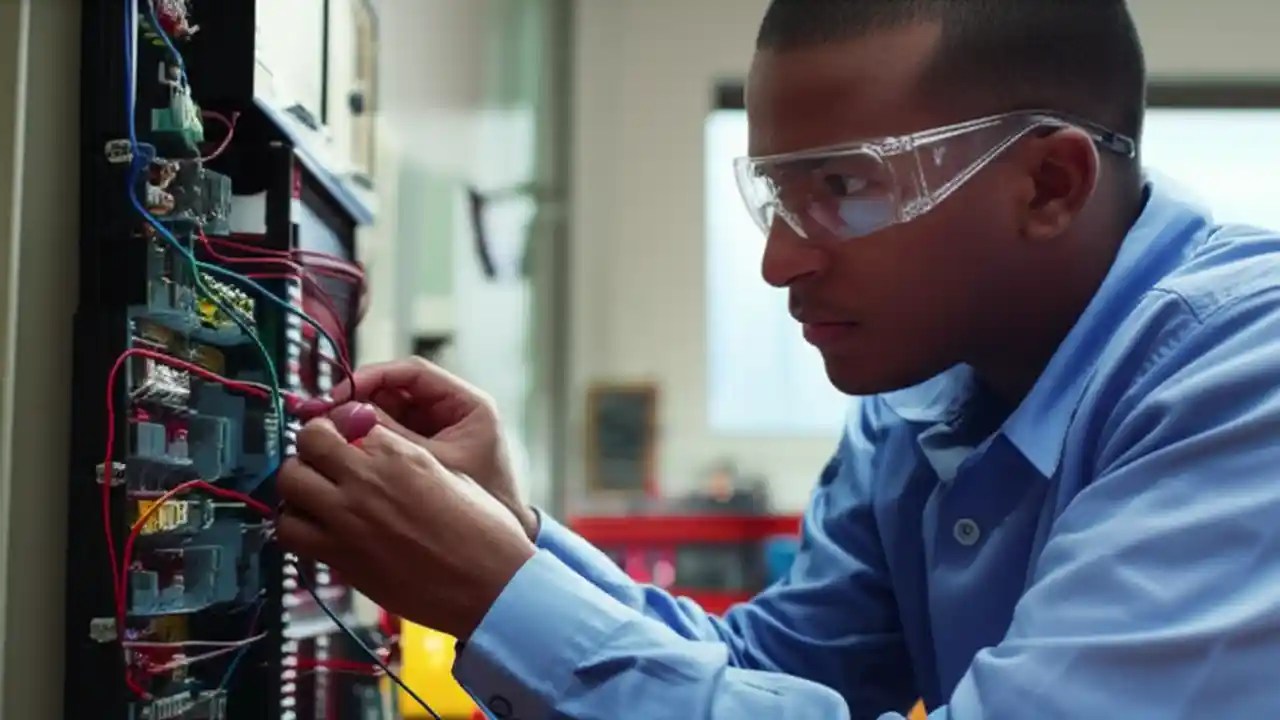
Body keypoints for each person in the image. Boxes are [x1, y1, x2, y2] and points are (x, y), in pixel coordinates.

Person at [276, 1, 1280, 718]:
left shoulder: (1244, 375)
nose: (777, 260)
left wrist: (496, 593)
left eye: (843, 187)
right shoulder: (925, 402)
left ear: (1048, 184)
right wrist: (510, 537)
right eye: (775, 197)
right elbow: (772, 673)